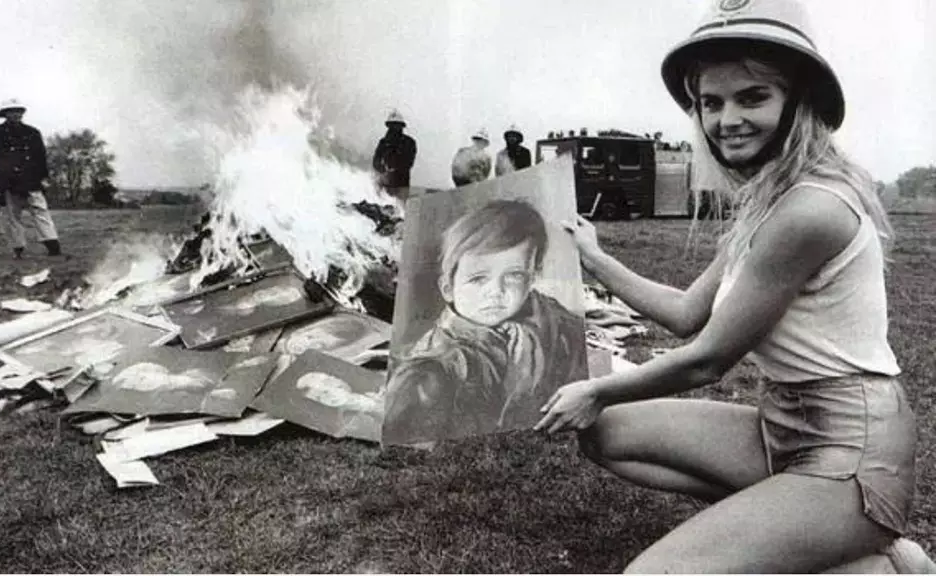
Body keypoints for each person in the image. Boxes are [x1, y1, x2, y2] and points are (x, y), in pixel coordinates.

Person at [534, 0, 936, 572]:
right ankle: (818, 540)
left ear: (800, 102)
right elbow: (684, 314)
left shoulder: (810, 209)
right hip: (783, 428)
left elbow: (708, 360)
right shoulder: (767, 202)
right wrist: (595, 258)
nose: (727, 120)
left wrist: (595, 388)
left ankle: (873, 561)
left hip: (853, 453)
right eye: (710, 103)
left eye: (753, 97)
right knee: (603, 434)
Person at [384, 200, 587, 445]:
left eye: (514, 275)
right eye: (478, 278)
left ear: (532, 278)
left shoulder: (550, 320)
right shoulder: (434, 369)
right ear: (448, 288)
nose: (496, 291)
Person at [0, 98, 61, 258]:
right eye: (12, 111)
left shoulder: (33, 133)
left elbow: (41, 157)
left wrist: (44, 177)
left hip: (31, 179)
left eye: (19, 111)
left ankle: (53, 246)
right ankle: (18, 249)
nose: (16, 114)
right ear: (5, 114)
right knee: (12, 216)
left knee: (41, 211)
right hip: (8, 180)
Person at [371, 109, 417, 193]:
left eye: (397, 125)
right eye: (392, 125)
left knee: (398, 205)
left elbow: (409, 162)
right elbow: (376, 160)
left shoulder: (409, 142)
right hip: (384, 184)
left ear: (401, 126)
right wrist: (381, 169)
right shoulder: (383, 142)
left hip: (401, 185)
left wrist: (394, 169)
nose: (394, 128)